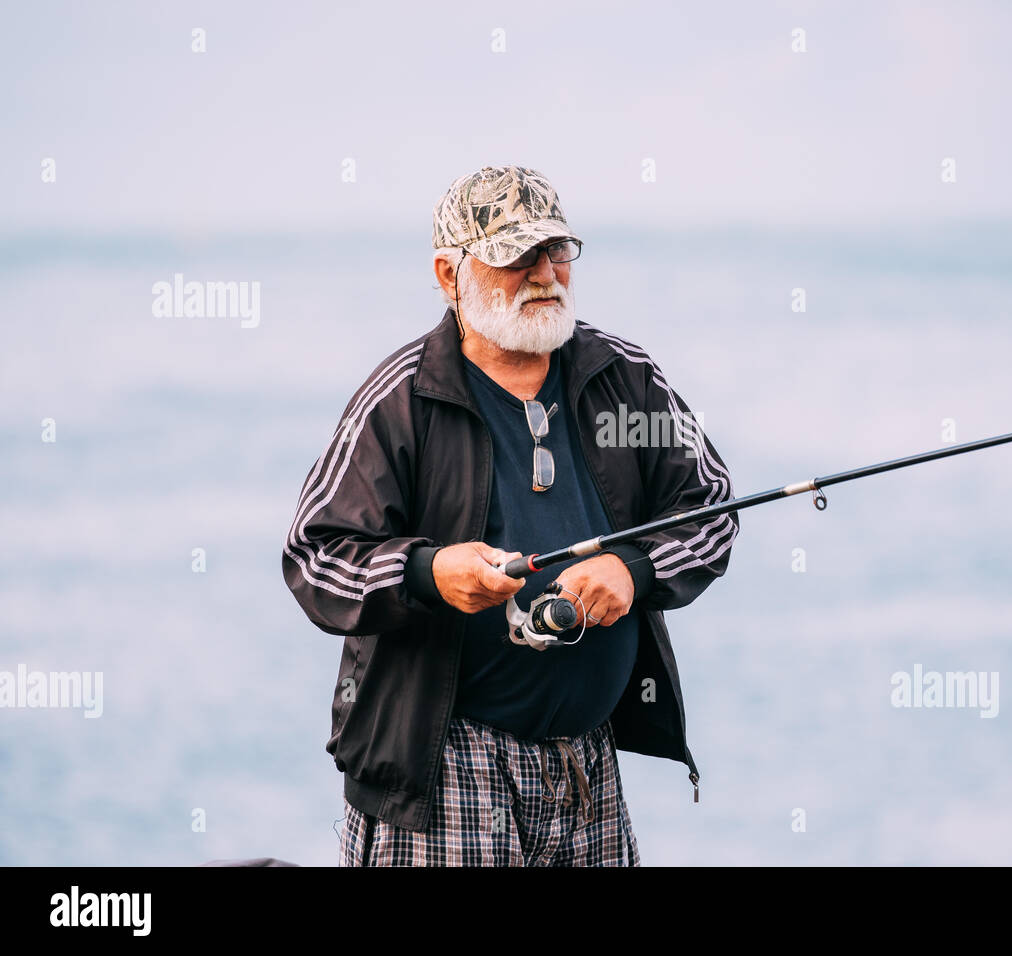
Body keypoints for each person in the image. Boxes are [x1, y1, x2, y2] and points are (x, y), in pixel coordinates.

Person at [281, 165, 738, 866]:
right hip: (440, 775)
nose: (545, 274)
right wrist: (429, 572)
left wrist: (634, 569)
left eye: (556, 252)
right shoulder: (398, 401)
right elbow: (315, 557)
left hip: (588, 772)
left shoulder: (625, 380)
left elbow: (710, 509)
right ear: (447, 273)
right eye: (515, 257)